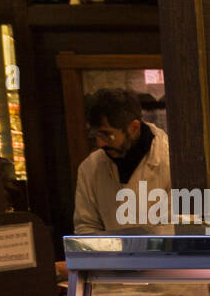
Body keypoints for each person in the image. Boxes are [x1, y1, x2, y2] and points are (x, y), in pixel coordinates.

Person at [72, 88, 170, 234]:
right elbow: (87, 227)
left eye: (107, 134)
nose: (100, 143)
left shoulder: (170, 162)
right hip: (111, 256)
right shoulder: (90, 168)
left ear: (134, 128)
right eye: (95, 134)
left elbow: (177, 229)